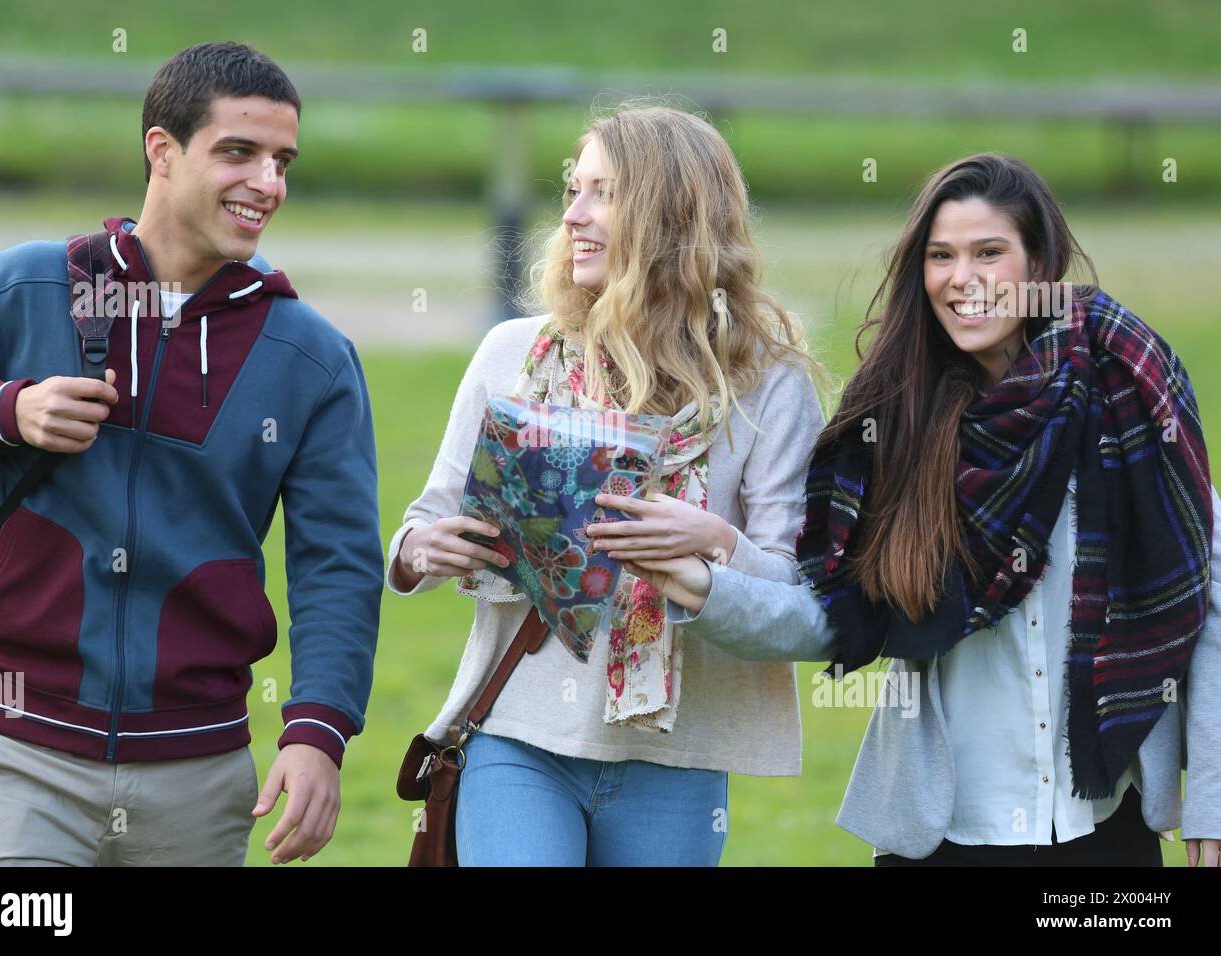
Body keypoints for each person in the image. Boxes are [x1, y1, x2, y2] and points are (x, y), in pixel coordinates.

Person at [630, 153, 1221, 867]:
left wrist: (1211, 803)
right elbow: (838, 615)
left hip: (1105, 825)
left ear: (1040, 265)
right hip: (943, 834)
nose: (961, 278)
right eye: (941, 256)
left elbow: (1206, 597)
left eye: (988, 253)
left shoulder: (1127, 383)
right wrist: (713, 577)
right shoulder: (894, 424)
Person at [0, 41, 382, 866]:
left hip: (202, 776)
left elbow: (337, 560)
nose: (268, 183)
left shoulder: (313, 356)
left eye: (283, 161)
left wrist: (318, 729)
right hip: (21, 756)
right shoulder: (23, 287)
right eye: (238, 152)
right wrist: (2, 411)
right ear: (161, 151)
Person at [387, 103, 828, 866]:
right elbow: (415, 532)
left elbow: (807, 610)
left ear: (672, 217)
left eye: (605, 194)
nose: (574, 217)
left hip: (675, 758)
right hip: (516, 735)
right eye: (572, 189)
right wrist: (425, 551)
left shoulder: (771, 386)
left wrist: (713, 553)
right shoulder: (512, 354)